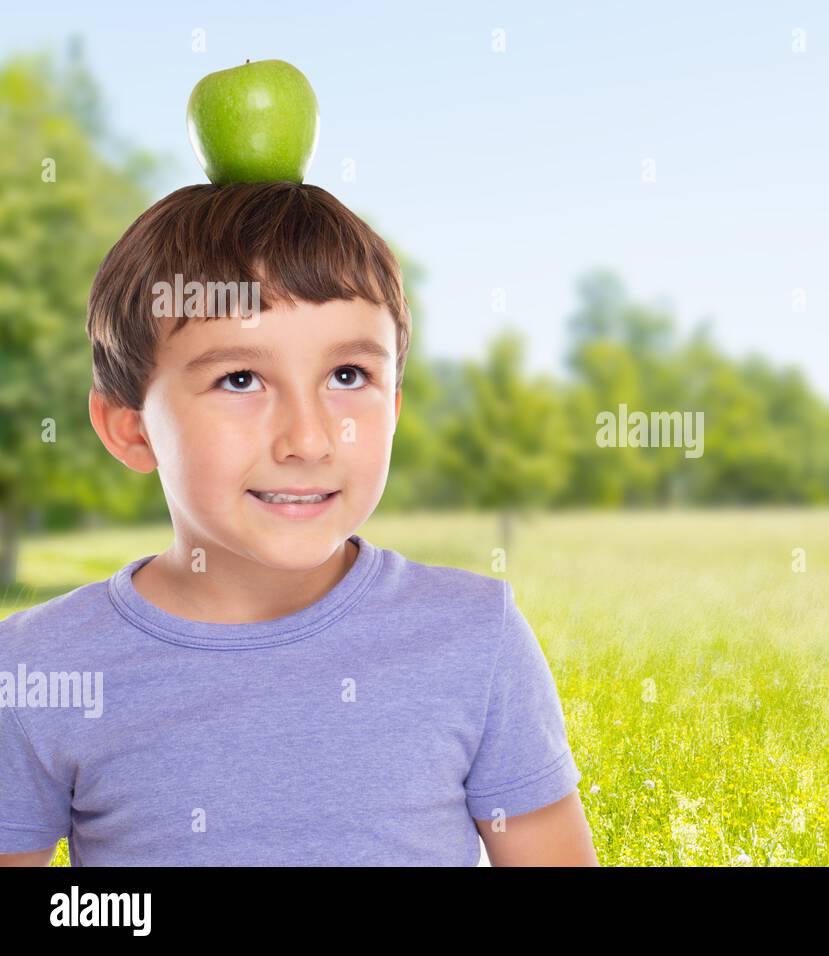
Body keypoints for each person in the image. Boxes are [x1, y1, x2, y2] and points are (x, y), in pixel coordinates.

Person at [0, 182, 597, 866]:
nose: (308, 439)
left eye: (347, 375)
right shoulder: (37, 669)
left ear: (394, 406)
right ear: (130, 428)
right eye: (240, 381)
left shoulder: (475, 636)